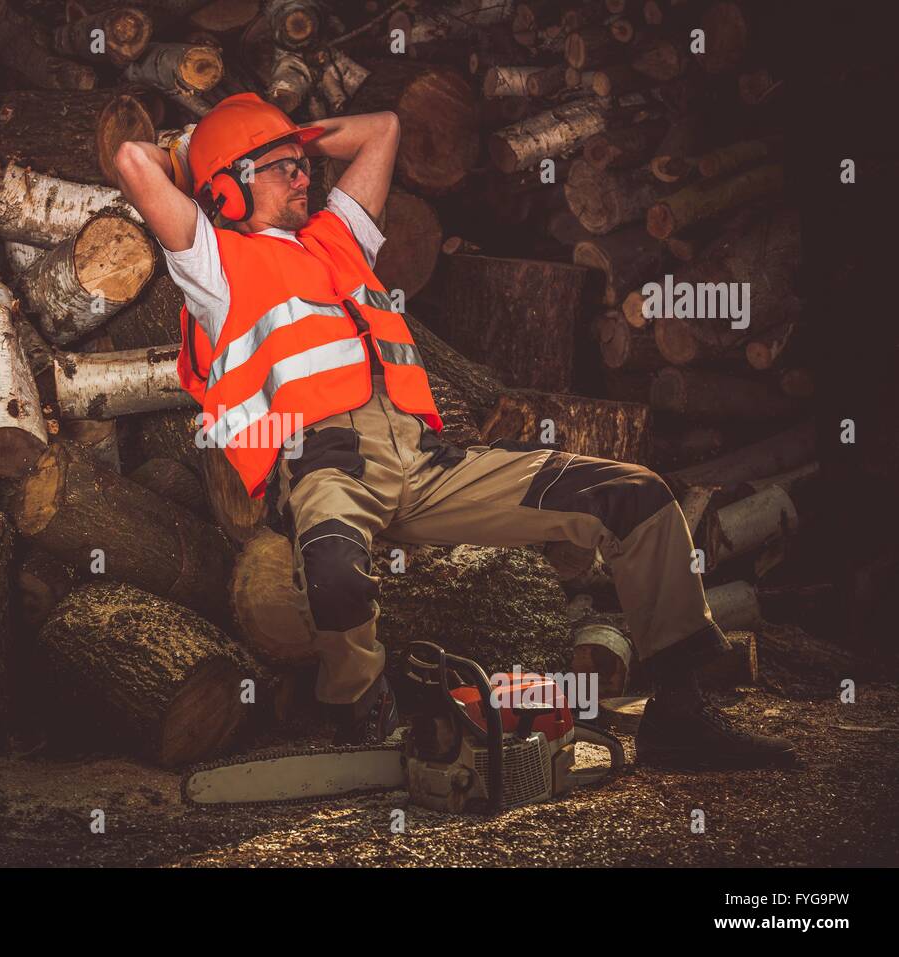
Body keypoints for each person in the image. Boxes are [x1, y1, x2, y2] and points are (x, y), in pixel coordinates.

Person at [113, 93, 796, 769]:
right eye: (282, 168)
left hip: (427, 458)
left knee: (634, 494)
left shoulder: (335, 238)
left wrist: (290, 138)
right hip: (325, 462)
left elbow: (384, 128)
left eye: (303, 165)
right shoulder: (215, 266)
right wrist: (205, 154)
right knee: (332, 567)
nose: (303, 177)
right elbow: (131, 160)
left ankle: (679, 711)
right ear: (229, 191)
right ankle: (360, 712)